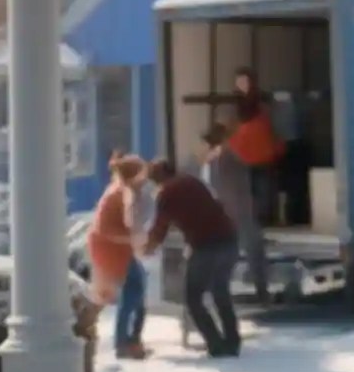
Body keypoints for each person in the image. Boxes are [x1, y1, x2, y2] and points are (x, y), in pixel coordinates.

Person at [142, 157, 243, 358]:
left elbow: (160, 228)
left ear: (159, 177)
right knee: (220, 292)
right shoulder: (192, 181)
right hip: (229, 240)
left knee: (193, 298)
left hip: (206, 247)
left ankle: (216, 344)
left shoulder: (166, 194)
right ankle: (232, 341)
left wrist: (147, 247)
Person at [200, 124, 271, 305]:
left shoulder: (209, 161)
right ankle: (262, 292)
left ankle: (216, 292)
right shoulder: (229, 156)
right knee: (255, 251)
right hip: (239, 212)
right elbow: (240, 185)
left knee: (225, 255)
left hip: (222, 212)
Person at [86, 153, 148, 317]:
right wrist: (132, 239)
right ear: (134, 175)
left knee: (132, 289)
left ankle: (128, 336)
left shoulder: (118, 190)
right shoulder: (120, 193)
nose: (144, 179)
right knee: (132, 290)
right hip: (109, 247)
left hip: (111, 247)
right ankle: (125, 338)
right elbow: (106, 229)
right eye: (142, 174)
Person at [225, 67, 284, 226]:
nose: (241, 85)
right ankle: (250, 220)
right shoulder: (233, 105)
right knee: (245, 190)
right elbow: (228, 129)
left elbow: (274, 126)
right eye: (239, 82)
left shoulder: (263, 103)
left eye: (244, 81)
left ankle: (262, 220)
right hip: (242, 155)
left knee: (263, 189)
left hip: (262, 154)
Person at [115, 149, 156, 360]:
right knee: (133, 298)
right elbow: (132, 224)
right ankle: (125, 343)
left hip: (129, 251)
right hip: (125, 251)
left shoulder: (134, 193)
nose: (145, 176)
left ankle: (131, 341)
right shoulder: (126, 195)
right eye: (141, 171)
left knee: (136, 299)